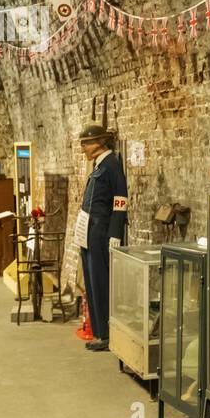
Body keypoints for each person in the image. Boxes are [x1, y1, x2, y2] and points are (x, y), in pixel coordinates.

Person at [76, 123, 128, 352]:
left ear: (99, 143)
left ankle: (106, 333)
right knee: (91, 280)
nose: (84, 149)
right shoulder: (99, 165)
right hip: (88, 229)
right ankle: (98, 331)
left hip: (100, 231)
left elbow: (120, 200)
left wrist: (115, 232)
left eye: (86, 144)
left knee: (100, 281)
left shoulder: (111, 166)